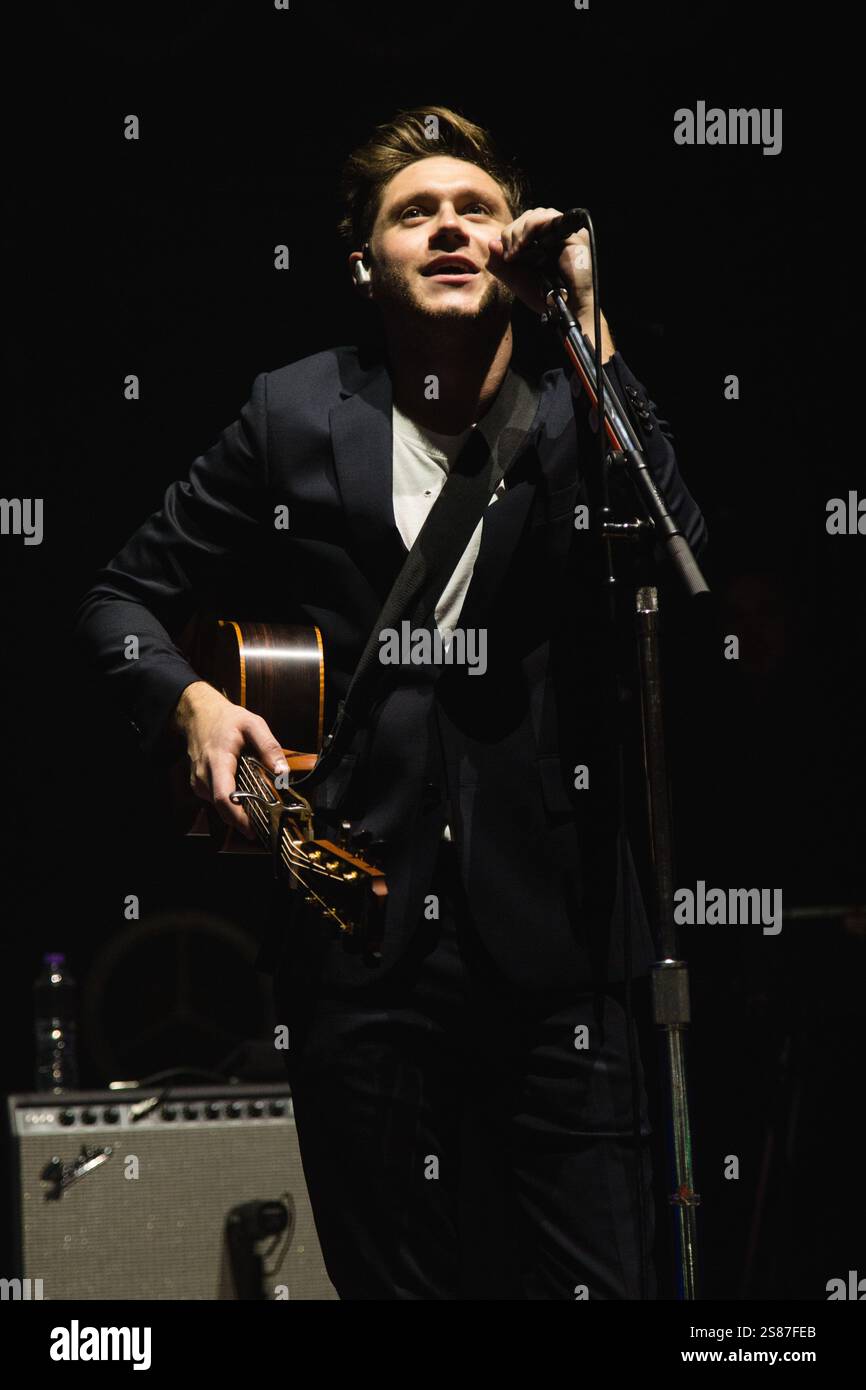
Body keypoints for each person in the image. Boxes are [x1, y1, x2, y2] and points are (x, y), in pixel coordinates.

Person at [73, 105, 707, 1300]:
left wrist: (585, 322)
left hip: (560, 939)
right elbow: (117, 598)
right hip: (354, 924)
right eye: (416, 213)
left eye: (475, 208)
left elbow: (681, 553)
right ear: (363, 262)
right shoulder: (296, 410)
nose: (452, 227)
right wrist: (189, 703)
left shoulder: (577, 402)